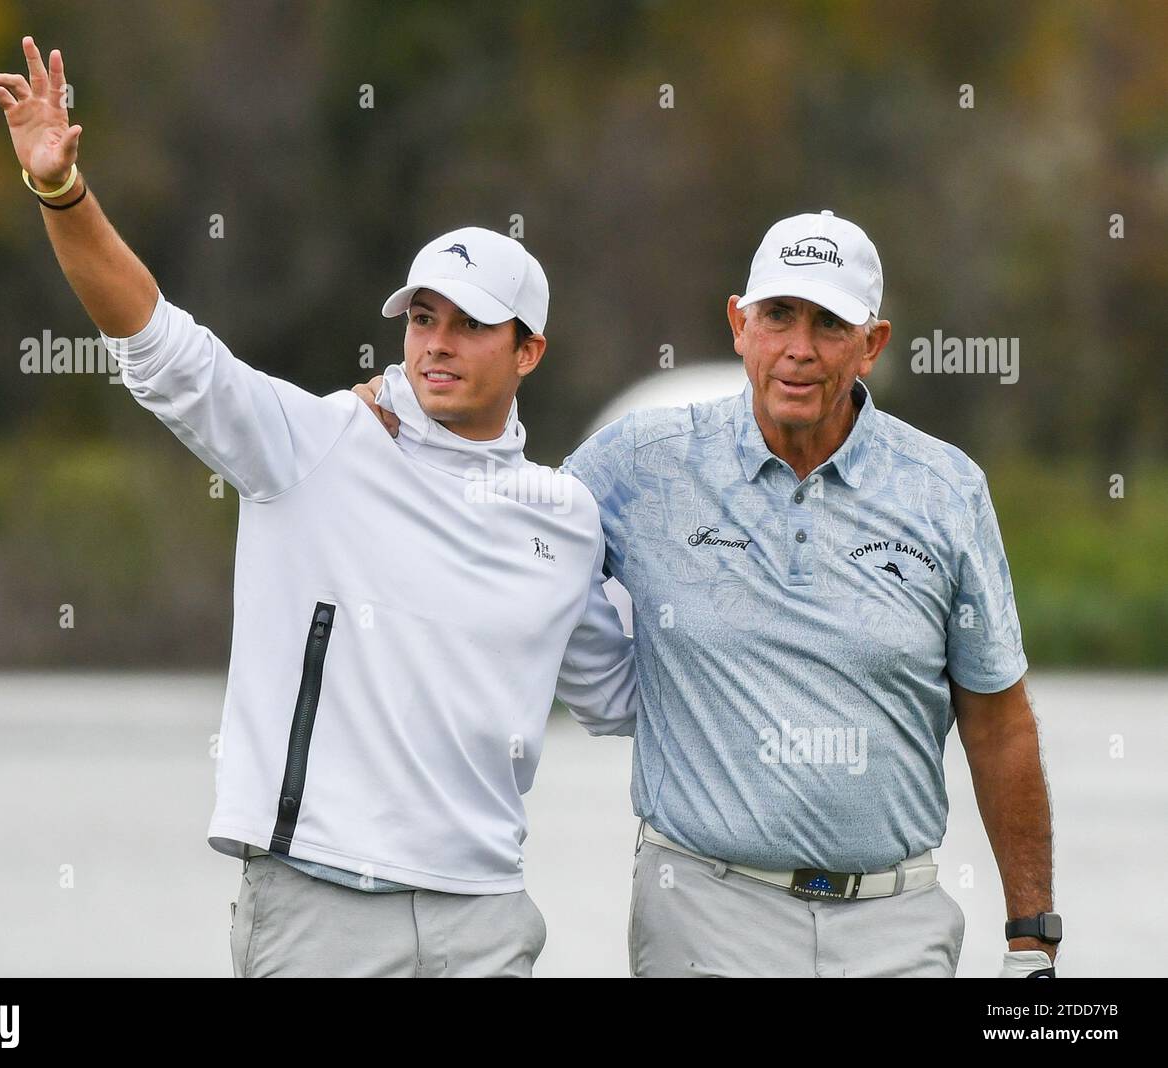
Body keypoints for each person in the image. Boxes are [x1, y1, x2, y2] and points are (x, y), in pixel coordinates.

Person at [0, 36, 636, 978]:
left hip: (486, 913)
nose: (436, 344)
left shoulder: (564, 516)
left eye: (469, 325)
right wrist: (62, 193)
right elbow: (161, 344)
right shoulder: (320, 441)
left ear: (528, 351)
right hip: (320, 902)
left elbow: (626, 696)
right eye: (421, 318)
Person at [357, 209, 1058, 978]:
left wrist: (1030, 934)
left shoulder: (945, 488)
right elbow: (509, 536)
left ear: (872, 344)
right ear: (739, 323)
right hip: (704, 914)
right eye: (779, 316)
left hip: (897, 923)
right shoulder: (642, 462)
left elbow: (998, 722)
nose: (798, 349)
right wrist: (399, 434)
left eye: (829, 324)